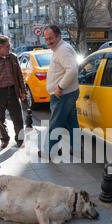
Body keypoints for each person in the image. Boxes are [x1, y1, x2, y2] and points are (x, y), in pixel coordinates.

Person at [39, 24, 80, 158]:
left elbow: (72, 69)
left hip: (63, 94)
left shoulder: (62, 50)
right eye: (46, 39)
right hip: (68, 93)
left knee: (55, 123)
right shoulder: (62, 48)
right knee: (72, 122)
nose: (48, 41)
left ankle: (49, 151)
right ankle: (77, 149)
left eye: (51, 38)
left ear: (59, 36)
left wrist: (60, 87)